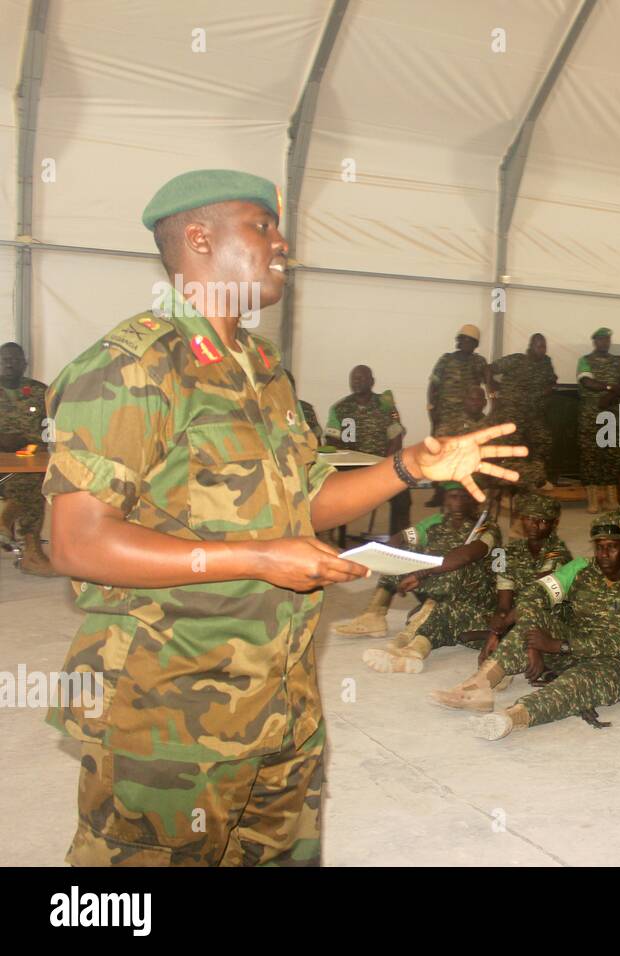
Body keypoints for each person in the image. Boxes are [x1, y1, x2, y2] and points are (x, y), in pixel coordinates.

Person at [42, 168, 525, 867]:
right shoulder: (132, 369)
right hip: (168, 711)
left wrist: (413, 464)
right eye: (261, 225)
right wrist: (256, 558)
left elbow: (306, 500)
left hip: (281, 698)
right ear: (200, 238)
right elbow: (76, 541)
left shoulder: (262, 369)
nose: (282, 242)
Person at [428, 523, 620, 739]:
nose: (604, 554)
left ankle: (512, 717)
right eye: (599, 547)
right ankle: (478, 687)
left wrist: (556, 646)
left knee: (577, 683)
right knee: (533, 619)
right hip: (575, 644)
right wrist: (534, 643)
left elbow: (616, 640)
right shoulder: (586, 570)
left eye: (612, 547)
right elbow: (535, 593)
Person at [360, 483, 502, 674]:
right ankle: (374, 615)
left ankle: (406, 643)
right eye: (453, 497)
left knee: (454, 569)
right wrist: (380, 554)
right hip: (441, 587)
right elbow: (400, 539)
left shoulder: (486, 527)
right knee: (403, 554)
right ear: (444, 500)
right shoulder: (438, 523)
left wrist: (421, 573)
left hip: (473, 594)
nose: (458, 503)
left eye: (464, 497)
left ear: (474, 501)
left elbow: (464, 556)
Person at [480, 493, 572, 664]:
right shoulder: (506, 551)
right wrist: (499, 621)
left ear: (555, 524)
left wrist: (497, 631)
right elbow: (503, 603)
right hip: (513, 617)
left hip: (547, 618)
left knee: (522, 638)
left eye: (542, 521)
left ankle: (500, 657)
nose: (534, 526)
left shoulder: (559, 554)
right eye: (529, 518)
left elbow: (536, 599)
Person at [325, 364, 410, 535]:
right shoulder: (340, 408)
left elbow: (396, 438)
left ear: (372, 381)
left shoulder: (386, 406)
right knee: (327, 488)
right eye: (353, 379)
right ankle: (330, 533)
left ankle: (398, 539)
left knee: (403, 495)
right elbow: (331, 439)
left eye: (361, 378)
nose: (356, 382)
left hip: (380, 465)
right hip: (350, 468)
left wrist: (385, 466)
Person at [0, 341, 56, 574]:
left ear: (25, 364)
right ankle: (30, 552)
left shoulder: (39, 392)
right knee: (31, 484)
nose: (9, 364)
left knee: (34, 479)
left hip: (28, 460)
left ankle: (10, 526)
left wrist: (27, 440)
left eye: (15, 359)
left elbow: (51, 427)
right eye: (4, 359)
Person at [489, 332, 557, 489]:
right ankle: (510, 485)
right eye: (539, 346)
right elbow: (489, 369)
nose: (543, 350)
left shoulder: (546, 362)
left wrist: (547, 389)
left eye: (544, 347)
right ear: (531, 346)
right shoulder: (516, 360)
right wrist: (493, 392)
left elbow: (552, 380)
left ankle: (537, 477)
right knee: (512, 447)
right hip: (513, 413)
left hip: (534, 414)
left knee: (544, 441)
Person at [577, 327, 620, 513]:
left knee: (613, 455)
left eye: (607, 339)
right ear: (594, 341)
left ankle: (610, 497)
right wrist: (609, 388)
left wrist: (612, 395)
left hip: (613, 414)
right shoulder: (585, 360)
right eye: (601, 339)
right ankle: (593, 499)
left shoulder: (618, 361)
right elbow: (586, 382)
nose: (605, 342)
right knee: (591, 455)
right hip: (592, 414)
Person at [427, 323, 493, 435]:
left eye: (470, 341)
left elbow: (489, 382)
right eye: (464, 339)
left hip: (471, 417)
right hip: (446, 415)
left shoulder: (479, 362)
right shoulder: (446, 360)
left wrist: (494, 402)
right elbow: (433, 386)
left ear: (475, 344)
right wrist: (431, 409)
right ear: (459, 341)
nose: (466, 343)